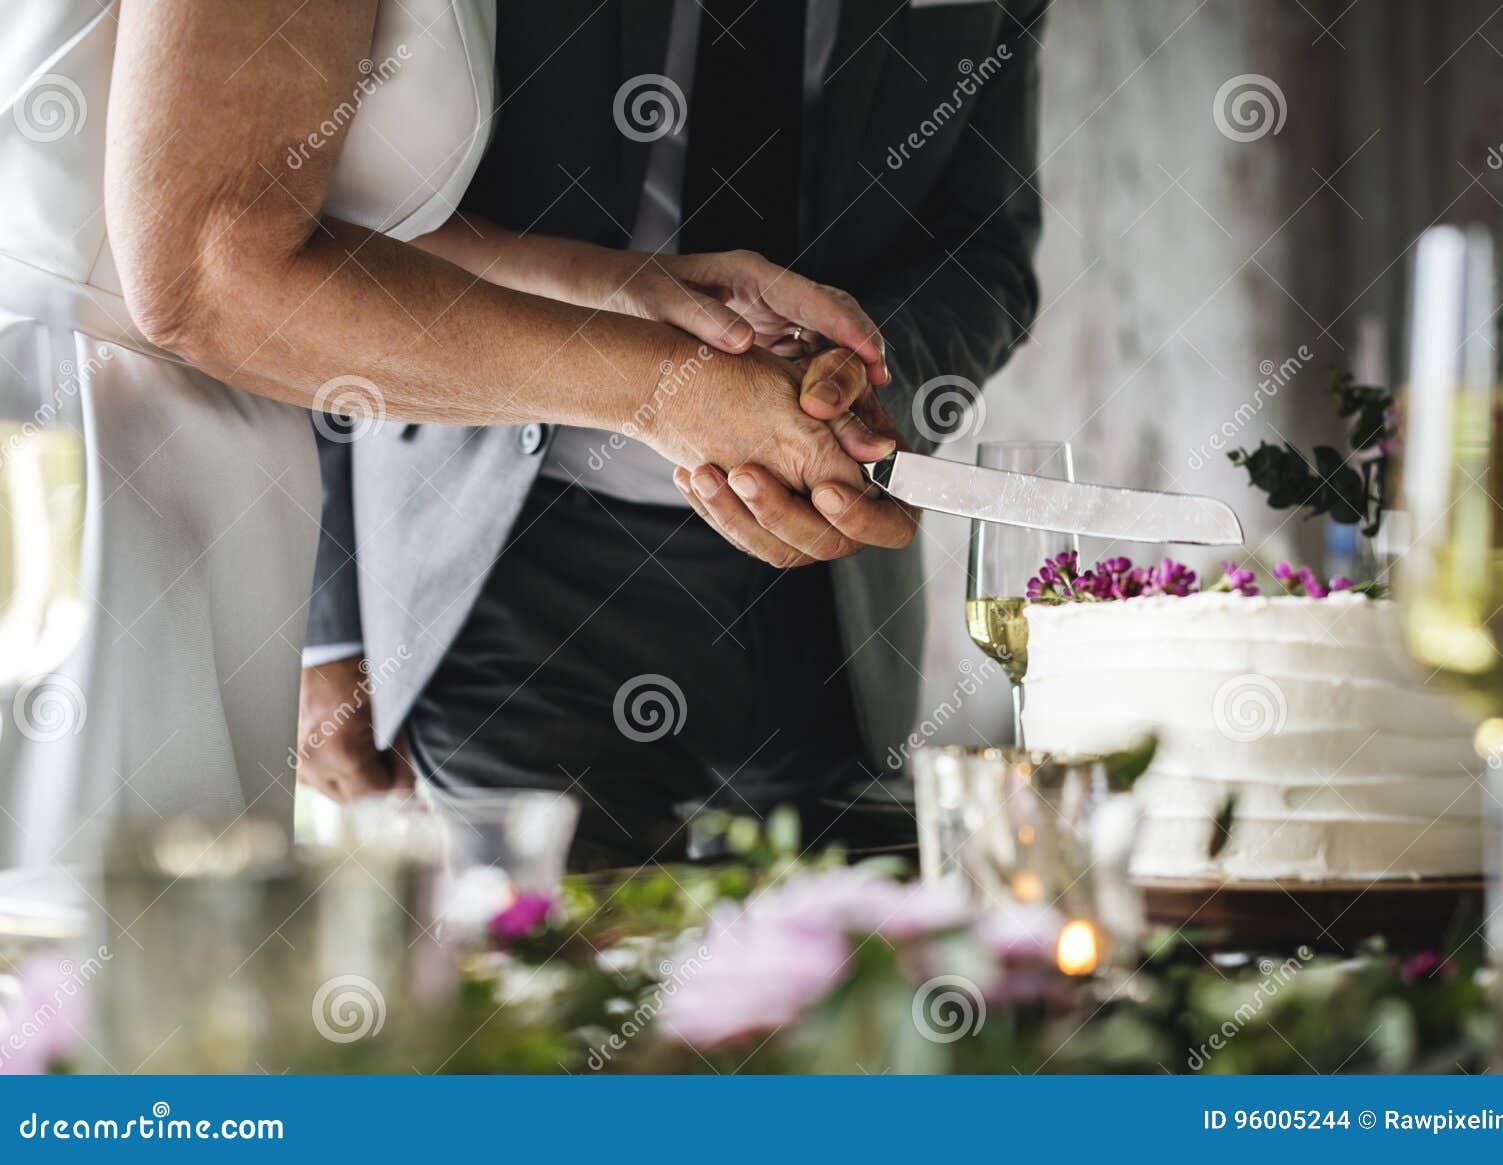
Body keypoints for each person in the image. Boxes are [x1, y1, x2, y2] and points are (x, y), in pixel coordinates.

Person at [0, 0, 905, 868]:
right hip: (82, 489)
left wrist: (625, 291)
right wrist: (661, 390)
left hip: (216, 473)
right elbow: (206, 271)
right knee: (97, 974)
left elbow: (312, 215)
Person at [298, 0, 1046, 863]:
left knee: (815, 979)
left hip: (821, 599)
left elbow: (985, 250)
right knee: (545, 977)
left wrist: (857, 386)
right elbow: (331, 238)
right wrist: (327, 623)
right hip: (503, 563)